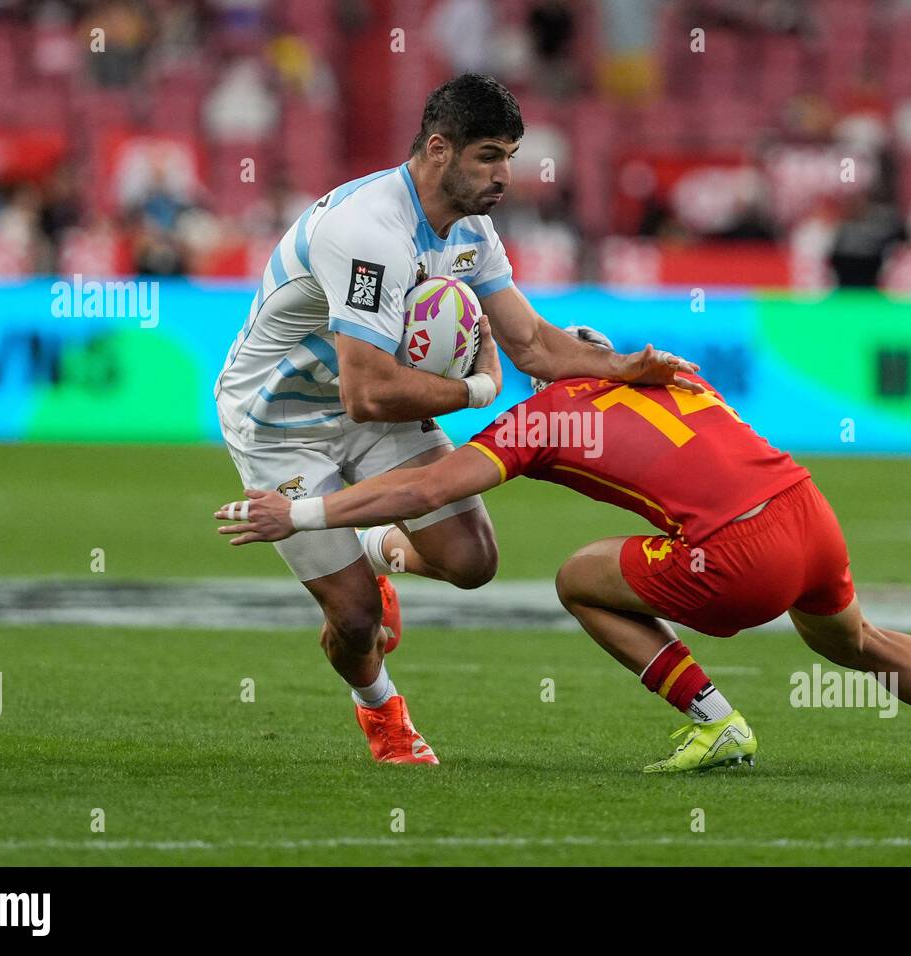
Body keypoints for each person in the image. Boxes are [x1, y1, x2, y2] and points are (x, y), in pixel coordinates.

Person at [215, 326, 911, 775]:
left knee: (578, 579)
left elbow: (431, 489)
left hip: (738, 554)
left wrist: (309, 513)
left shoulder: (542, 418)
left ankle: (716, 723)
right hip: (808, 512)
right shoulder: (671, 374)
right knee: (858, 643)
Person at [214, 74, 698, 765]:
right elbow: (369, 395)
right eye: (490, 156)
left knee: (472, 562)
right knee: (355, 620)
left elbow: (529, 342)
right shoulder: (367, 231)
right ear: (439, 150)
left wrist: (624, 368)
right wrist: (478, 390)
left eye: (511, 155)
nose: (507, 174)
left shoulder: (471, 230)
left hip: (377, 396)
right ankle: (382, 711)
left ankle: (377, 547)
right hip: (280, 416)